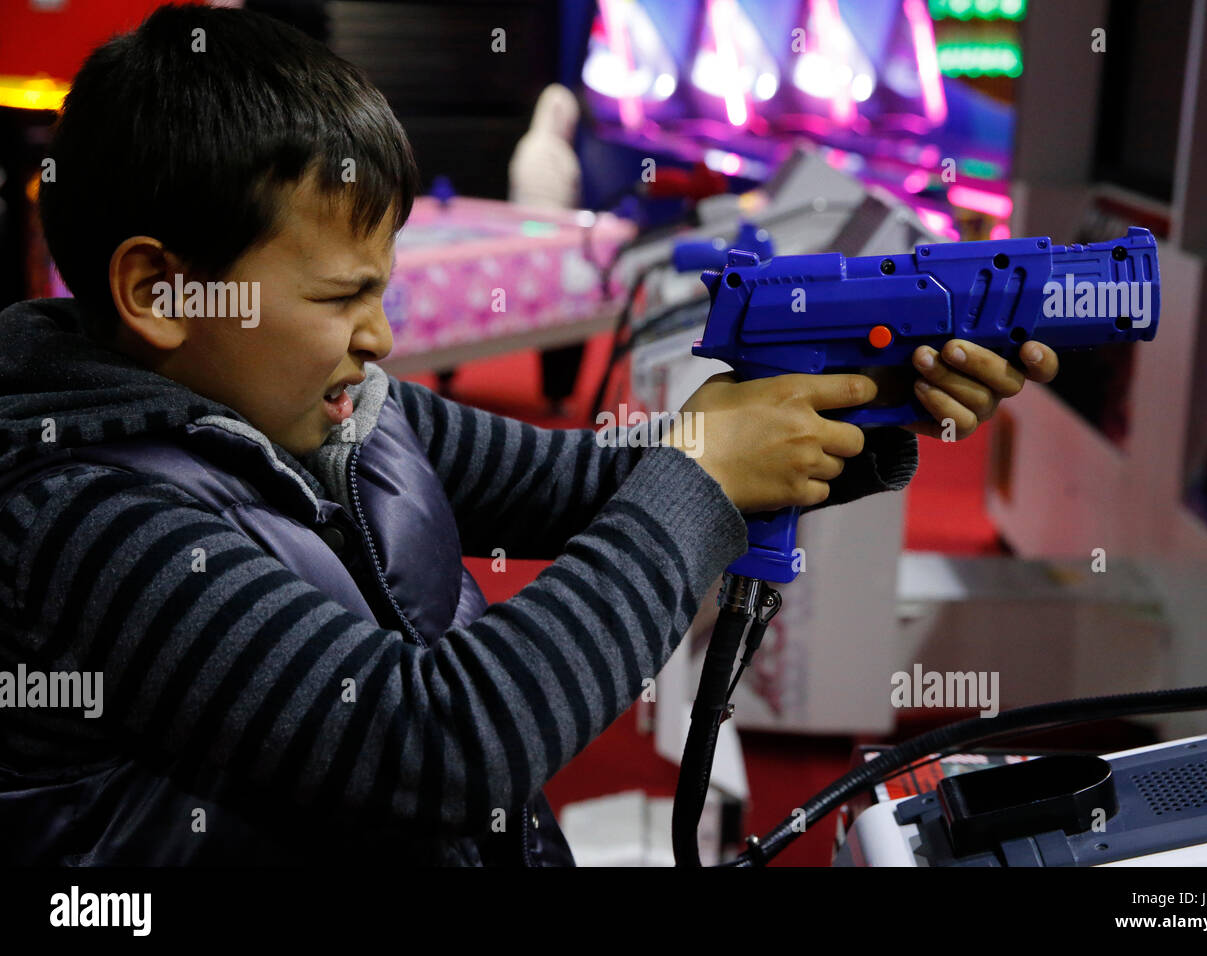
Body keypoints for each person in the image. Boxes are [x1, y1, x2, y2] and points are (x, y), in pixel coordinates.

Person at [0, 4, 1057, 866]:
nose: (381, 334)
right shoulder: (81, 517)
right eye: (341, 295)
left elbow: (587, 485)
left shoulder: (336, 409)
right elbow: (432, 744)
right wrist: (699, 468)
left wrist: (862, 409)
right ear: (159, 289)